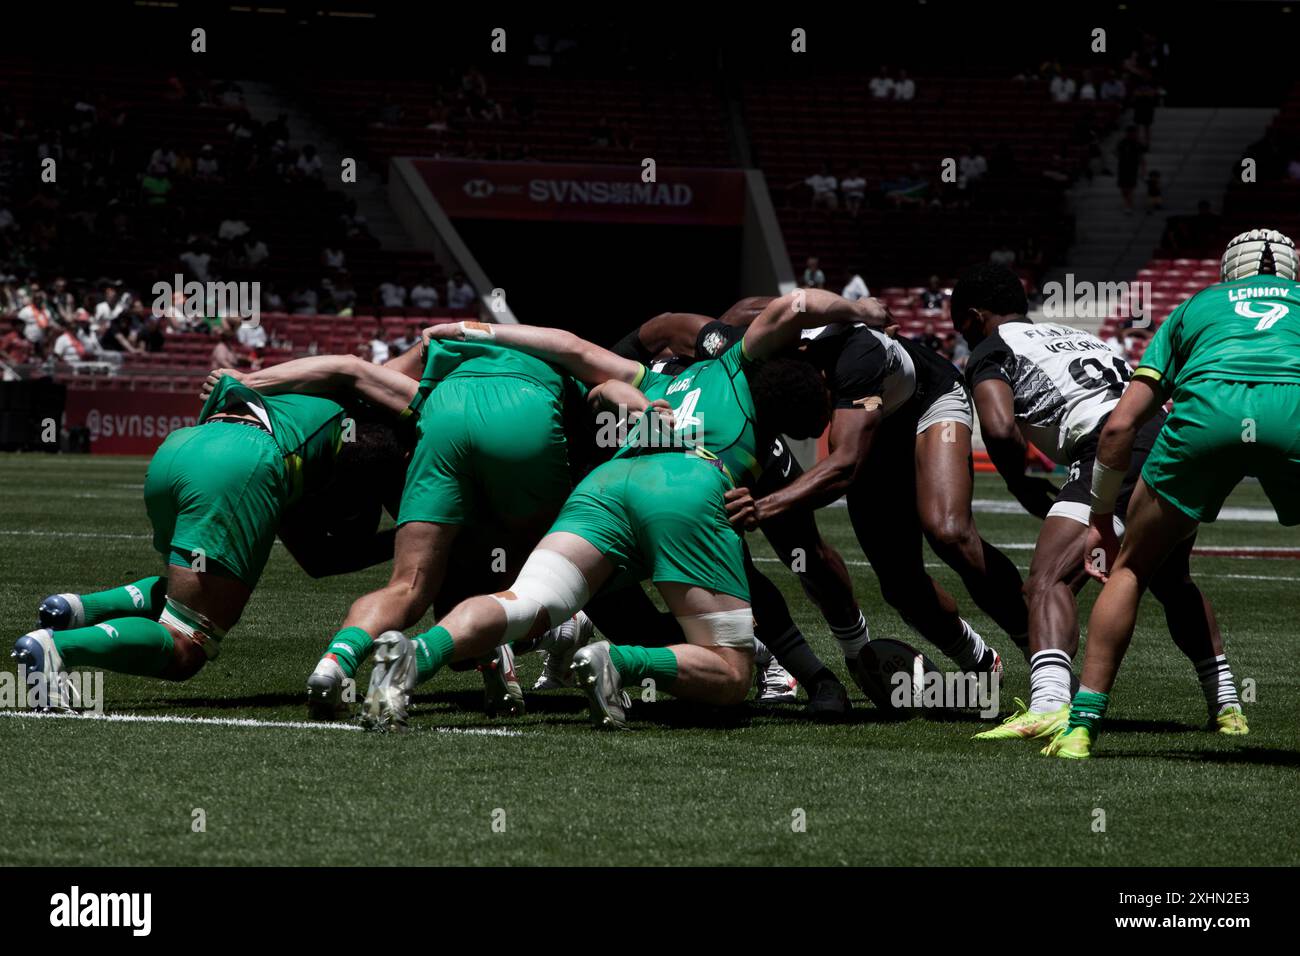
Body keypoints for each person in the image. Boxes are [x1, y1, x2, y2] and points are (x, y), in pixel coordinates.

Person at [361, 292, 858, 731]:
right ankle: (617, 661)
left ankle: (418, 652)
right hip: (686, 485)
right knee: (730, 674)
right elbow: (792, 308)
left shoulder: (659, 375)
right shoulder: (740, 376)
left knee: (522, 600)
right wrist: (866, 311)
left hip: (602, 486)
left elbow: (573, 348)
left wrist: (479, 330)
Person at [951, 264, 1244, 742]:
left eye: (959, 324)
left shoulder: (991, 348)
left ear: (973, 316)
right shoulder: (1075, 336)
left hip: (1111, 448)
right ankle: (1228, 703)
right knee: (1172, 581)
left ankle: (1048, 703)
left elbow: (1000, 428)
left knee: (1048, 580)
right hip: (1172, 444)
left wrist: (1018, 482)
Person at [1045, 229, 1299, 759]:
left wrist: (1100, 523)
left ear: (1229, 270)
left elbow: (1118, 428)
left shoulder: (1196, 307)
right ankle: (1225, 703)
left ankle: (1081, 728)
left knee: (1132, 569)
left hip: (1206, 412)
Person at [13, 377, 409, 705]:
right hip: (238, 463)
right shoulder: (336, 451)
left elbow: (317, 559)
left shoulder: (319, 410)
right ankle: (56, 647)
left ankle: (76, 610)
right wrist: (410, 539)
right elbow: (322, 554)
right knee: (188, 642)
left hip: (182, 448)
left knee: (193, 585)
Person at [725, 301, 1030, 680]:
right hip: (876, 425)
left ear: (824, 382)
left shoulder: (856, 359)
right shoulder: (756, 345)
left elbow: (845, 466)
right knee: (901, 587)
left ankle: (1039, 652)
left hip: (927, 400)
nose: (823, 428)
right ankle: (981, 662)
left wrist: (762, 506)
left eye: (823, 418)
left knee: (948, 531)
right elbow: (741, 311)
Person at [1116, 126, 1146, 215]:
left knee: (1130, 188)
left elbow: (1141, 157)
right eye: (1130, 133)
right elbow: (1116, 152)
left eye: (1134, 133)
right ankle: (1128, 202)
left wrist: (1143, 169)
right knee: (1123, 189)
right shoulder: (1122, 143)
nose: (1132, 135)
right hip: (1122, 168)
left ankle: (1128, 206)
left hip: (1133, 168)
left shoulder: (1138, 144)